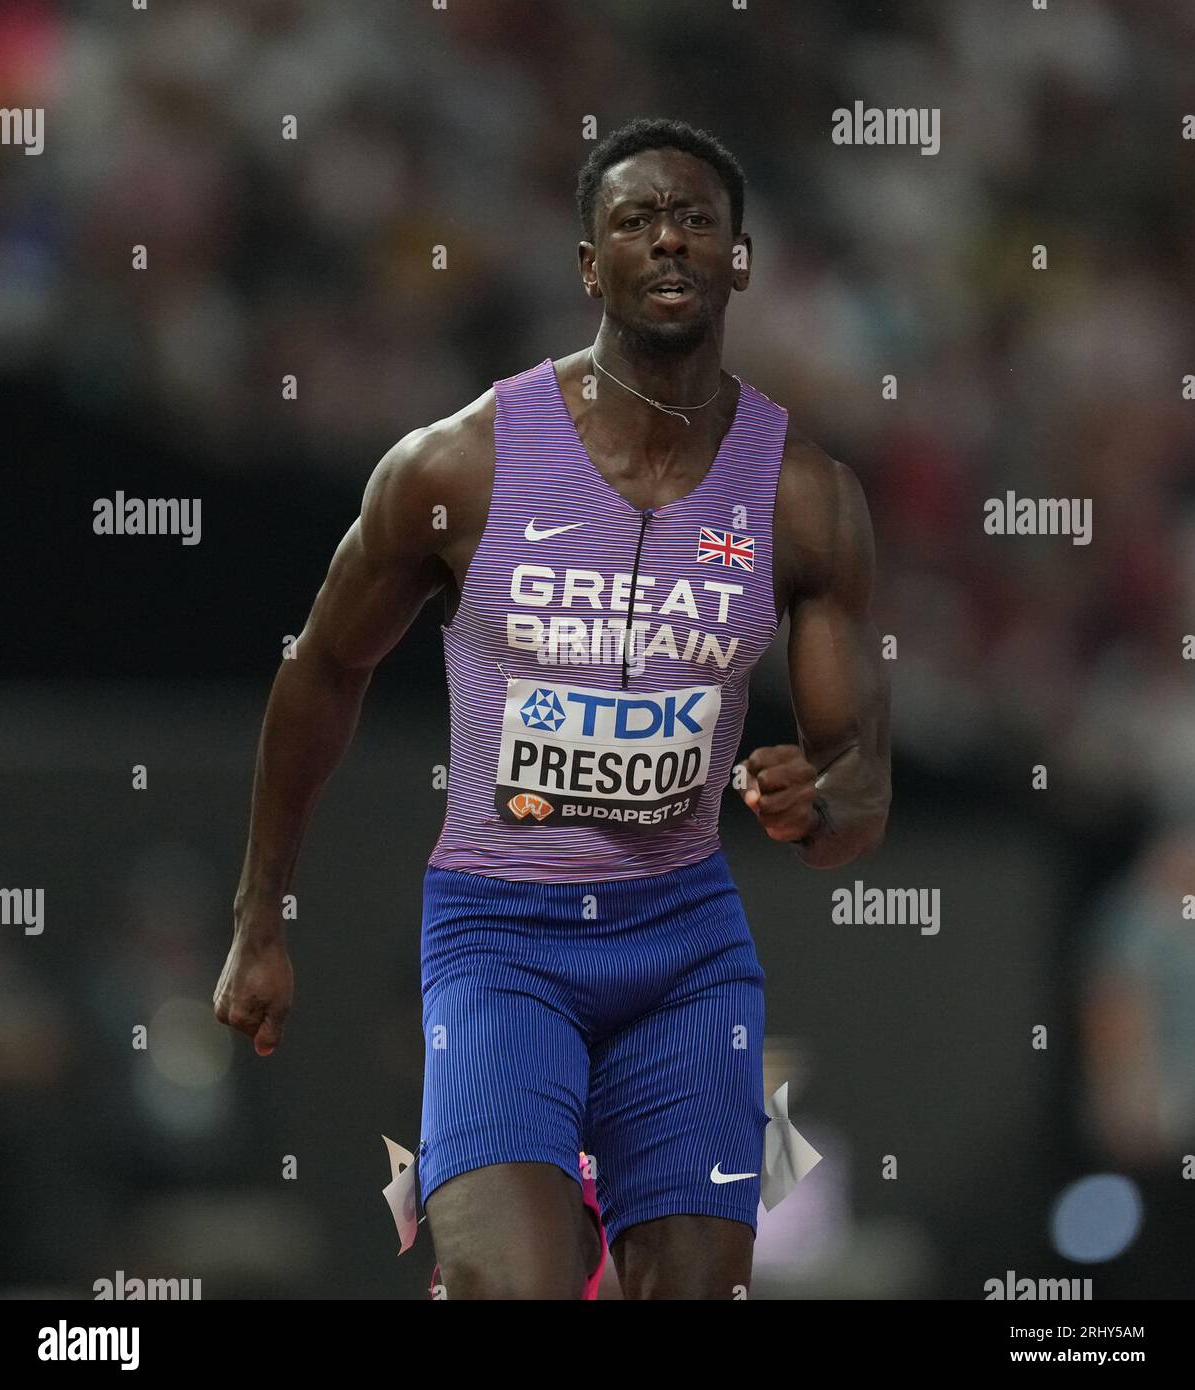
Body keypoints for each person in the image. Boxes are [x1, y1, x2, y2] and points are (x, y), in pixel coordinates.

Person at [213, 117, 891, 1299]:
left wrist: (817, 810)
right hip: (500, 938)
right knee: (507, 1285)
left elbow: (860, 787)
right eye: (635, 221)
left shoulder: (806, 500)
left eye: (695, 220)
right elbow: (320, 669)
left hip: (685, 951)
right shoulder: (456, 467)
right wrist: (259, 915)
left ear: (739, 259)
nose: (667, 241)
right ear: (588, 263)